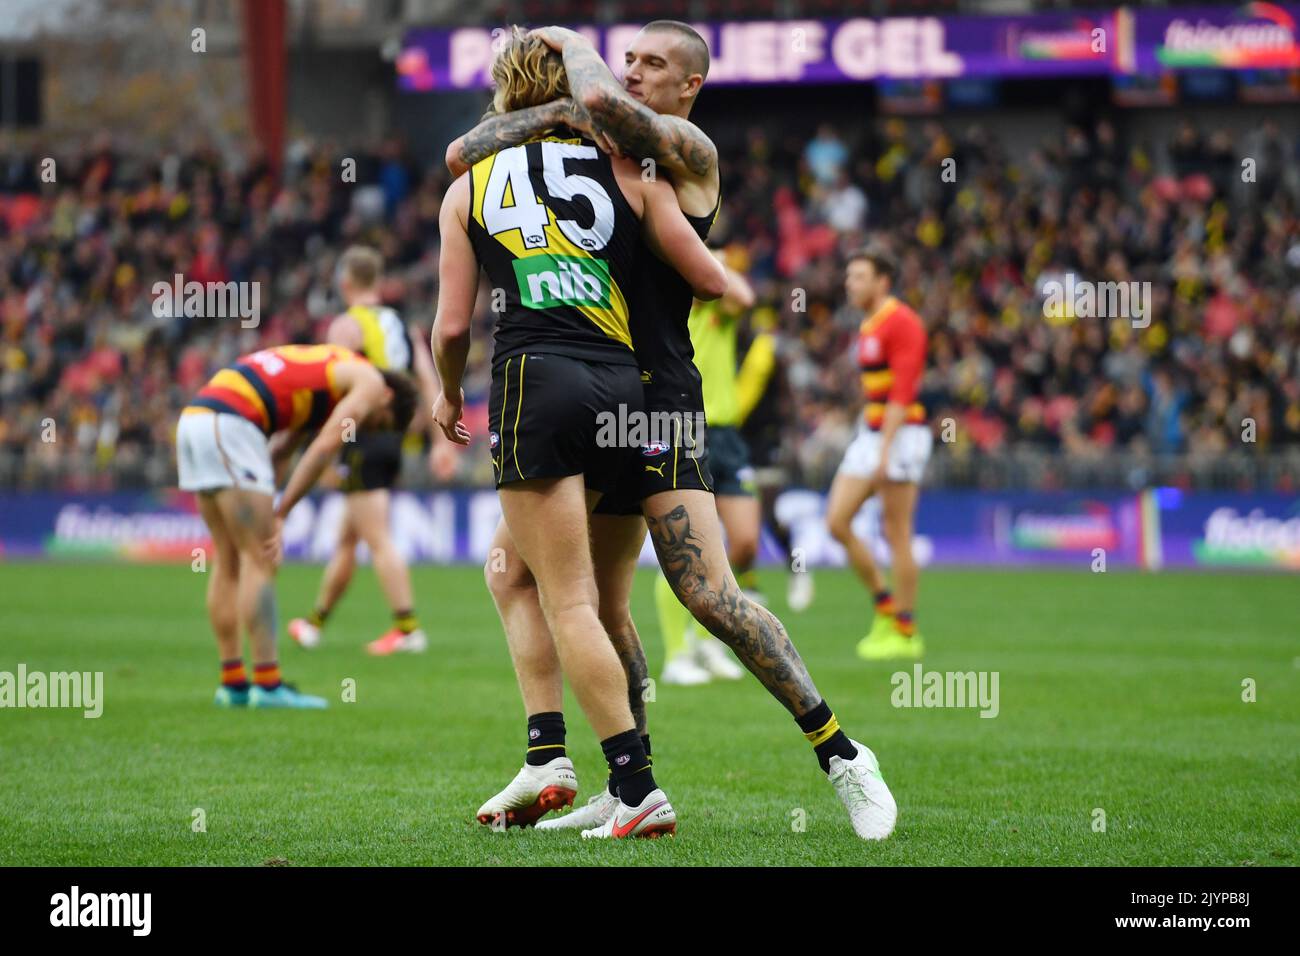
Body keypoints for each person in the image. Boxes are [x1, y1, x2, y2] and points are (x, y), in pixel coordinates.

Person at [446, 21, 898, 841]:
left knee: (707, 593)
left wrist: (569, 60)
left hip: (660, 397)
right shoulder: (607, 156)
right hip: (605, 394)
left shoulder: (682, 149)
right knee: (581, 597)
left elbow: (560, 113)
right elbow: (469, 149)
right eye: (630, 61)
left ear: (689, 85)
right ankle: (628, 785)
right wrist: (563, 114)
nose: (633, 74)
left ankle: (841, 754)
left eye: (653, 64)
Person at [431, 26, 727, 838]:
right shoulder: (630, 165)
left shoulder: (471, 184)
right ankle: (544, 757)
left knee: (570, 601)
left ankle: (634, 785)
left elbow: (453, 323)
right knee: (510, 571)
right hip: (623, 386)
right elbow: (689, 270)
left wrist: (448, 391)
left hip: (536, 379)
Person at [176, 343, 418, 708]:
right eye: (378, 421)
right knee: (261, 557)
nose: (367, 426)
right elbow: (323, 449)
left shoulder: (329, 376)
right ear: (387, 396)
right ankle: (269, 686)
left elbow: (282, 450)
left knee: (229, 559)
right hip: (232, 423)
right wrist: (281, 513)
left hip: (197, 417)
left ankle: (233, 685)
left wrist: (271, 501)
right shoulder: (368, 380)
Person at [287, 246, 442, 656]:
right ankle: (314, 623)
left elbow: (330, 388)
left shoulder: (346, 326)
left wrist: (322, 448)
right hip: (394, 436)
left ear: (344, 282)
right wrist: (441, 440)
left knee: (377, 539)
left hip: (361, 436)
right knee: (347, 538)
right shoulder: (402, 323)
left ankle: (408, 627)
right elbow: (427, 378)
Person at [826, 247, 931, 660]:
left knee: (896, 532)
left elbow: (903, 394)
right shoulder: (870, 323)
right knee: (836, 521)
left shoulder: (902, 322)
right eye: (849, 276)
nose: (849, 284)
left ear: (882, 281)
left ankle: (906, 631)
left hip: (899, 435)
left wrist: (886, 452)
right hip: (871, 433)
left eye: (858, 277)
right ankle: (885, 606)